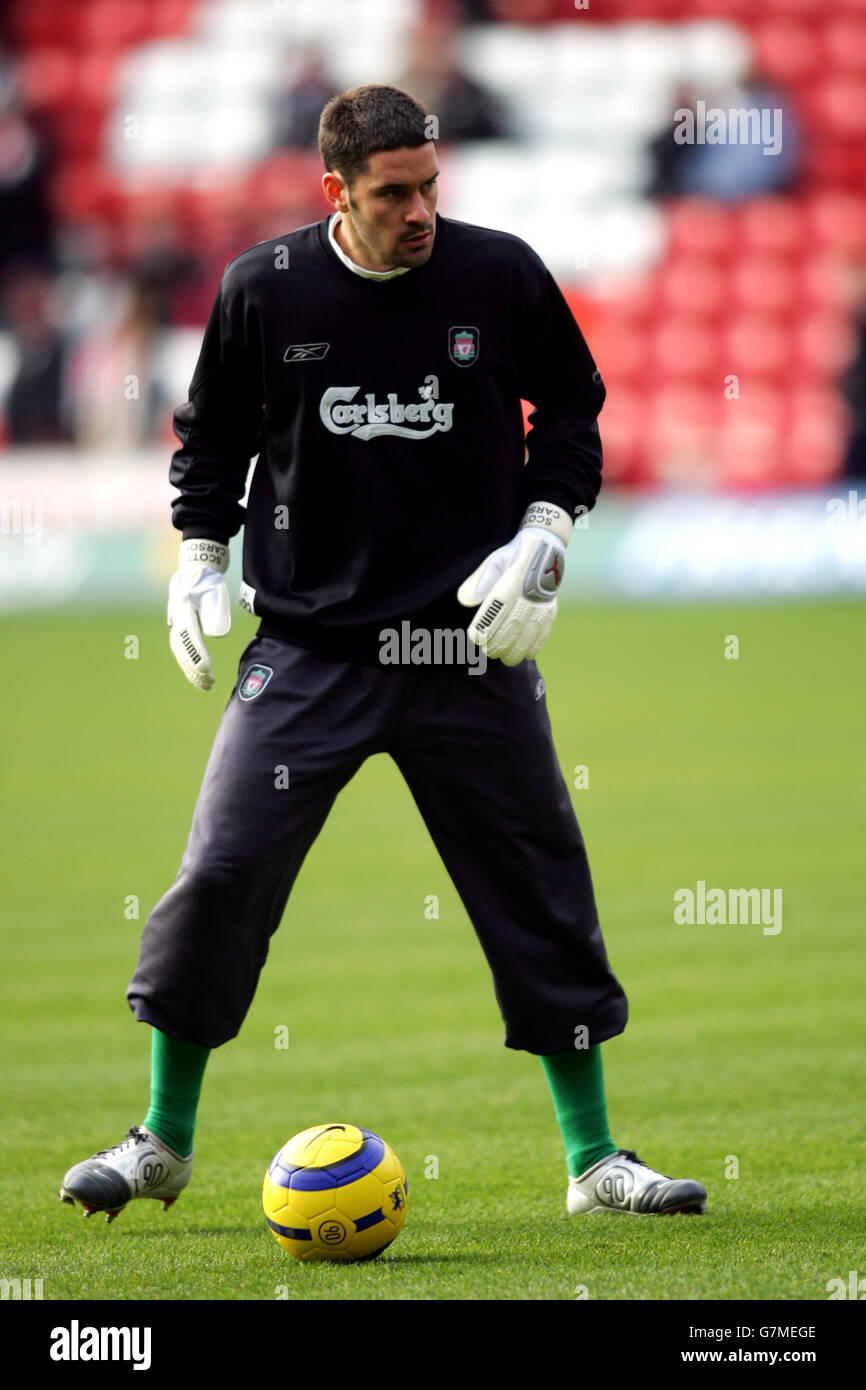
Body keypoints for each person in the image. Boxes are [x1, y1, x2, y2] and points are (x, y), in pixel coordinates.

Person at [60, 84, 707, 1224]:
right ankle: (161, 1138)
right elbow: (209, 440)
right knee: (220, 875)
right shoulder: (261, 289)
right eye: (392, 193)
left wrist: (547, 531)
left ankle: (594, 1159)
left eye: (429, 186)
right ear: (336, 193)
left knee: (539, 888)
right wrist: (200, 558)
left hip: (465, 648)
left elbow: (570, 410)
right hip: (308, 650)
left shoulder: (496, 274)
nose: (419, 211)